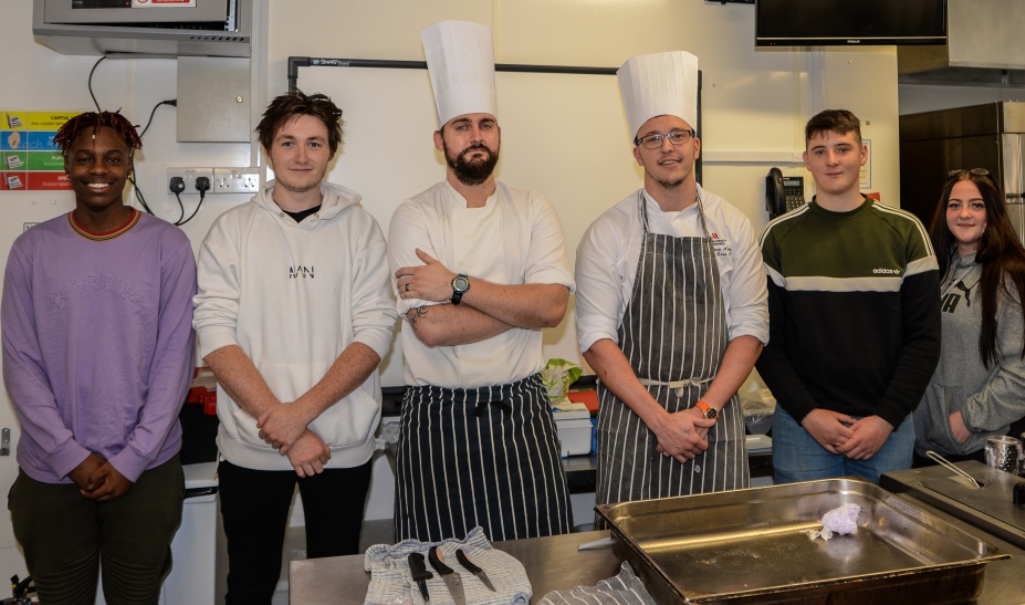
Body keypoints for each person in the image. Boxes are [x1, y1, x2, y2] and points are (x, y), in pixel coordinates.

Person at [193, 91, 395, 604]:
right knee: (250, 584)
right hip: (251, 450)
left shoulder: (361, 231)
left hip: (340, 448)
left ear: (331, 152)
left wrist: (298, 416)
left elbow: (373, 329)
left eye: (314, 143)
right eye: (288, 142)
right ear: (268, 149)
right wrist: (281, 424)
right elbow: (215, 333)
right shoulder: (231, 232)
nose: (301, 155)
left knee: (335, 589)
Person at [388, 20, 574, 543]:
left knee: (538, 562)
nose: (476, 136)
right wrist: (518, 303)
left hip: (523, 412)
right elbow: (434, 331)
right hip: (437, 419)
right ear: (439, 139)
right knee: (442, 574)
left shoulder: (534, 208)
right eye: (462, 125)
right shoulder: (413, 216)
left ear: (499, 134)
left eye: (486, 124)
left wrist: (457, 285)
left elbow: (553, 309)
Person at [2, 110, 196, 604]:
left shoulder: (167, 247)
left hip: (146, 471)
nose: (98, 169)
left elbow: (176, 359)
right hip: (52, 474)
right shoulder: (31, 249)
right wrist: (69, 455)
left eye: (112, 158)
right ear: (65, 164)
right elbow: (20, 361)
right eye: (84, 157)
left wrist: (132, 458)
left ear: (130, 165)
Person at [575, 51, 769, 505]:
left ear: (695, 145)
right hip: (636, 419)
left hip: (712, 418)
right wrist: (661, 420)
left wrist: (701, 411)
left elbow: (751, 327)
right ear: (637, 152)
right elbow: (595, 338)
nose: (668, 147)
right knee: (628, 563)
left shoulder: (733, 224)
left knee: (719, 556)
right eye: (653, 138)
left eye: (678, 134)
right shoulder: (609, 231)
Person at [756, 109, 942, 485]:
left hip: (885, 432)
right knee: (804, 540)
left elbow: (924, 341)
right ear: (807, 160)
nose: (832, 160)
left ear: (863, 155)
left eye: (843, 148)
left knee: (883, 540)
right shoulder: (778, 237)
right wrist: (809, 414)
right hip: (803, 430)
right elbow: (766, 342)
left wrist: (886, 418)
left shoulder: (906, 232)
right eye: (820, 151)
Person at [913, 168, 1025, 463]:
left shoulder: (1009, 275)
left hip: (975, 448)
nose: (964, 214)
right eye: (955, 205)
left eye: (976, 205)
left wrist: (966, 420)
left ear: (992, 212)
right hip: (924, 445)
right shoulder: (933, 268)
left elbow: (1021, 371)